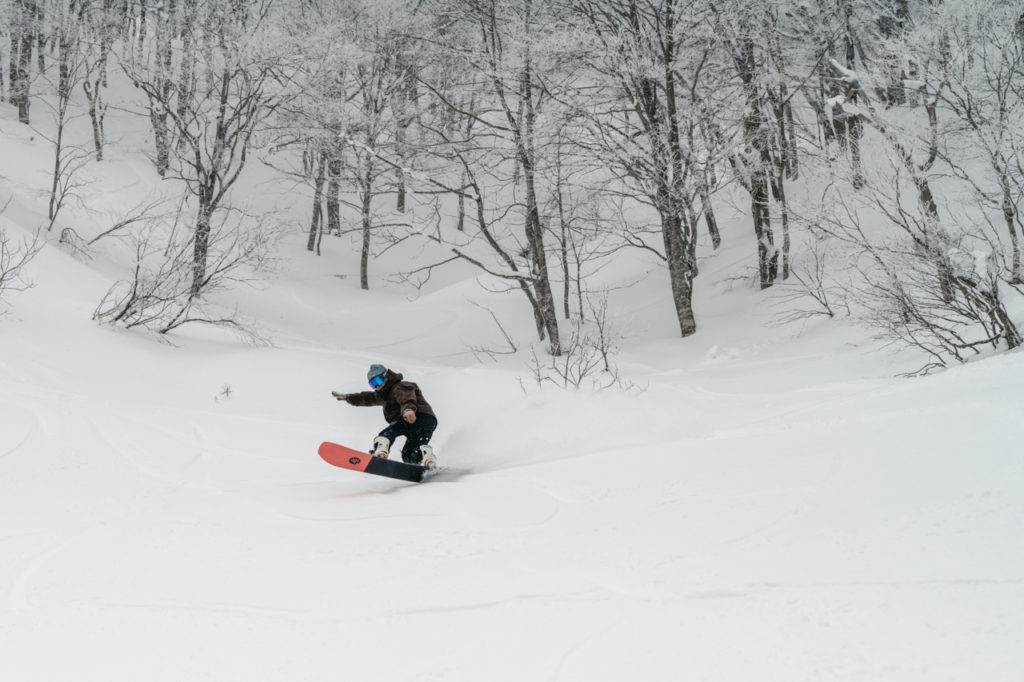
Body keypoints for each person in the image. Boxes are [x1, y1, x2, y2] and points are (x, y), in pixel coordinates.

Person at [332, 364, 438, 468]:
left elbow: (405, 398)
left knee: (386, 434)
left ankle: (380, 453)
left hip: (417, 415)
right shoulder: (384, 395)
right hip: (427, 422)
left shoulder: (399, 387)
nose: (377, 386)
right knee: (409, 453)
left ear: (386, 377)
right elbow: (366, 398)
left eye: (378, 381)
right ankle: (427, 459)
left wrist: (408, 410)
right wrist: (348, 397)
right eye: (373, 384)